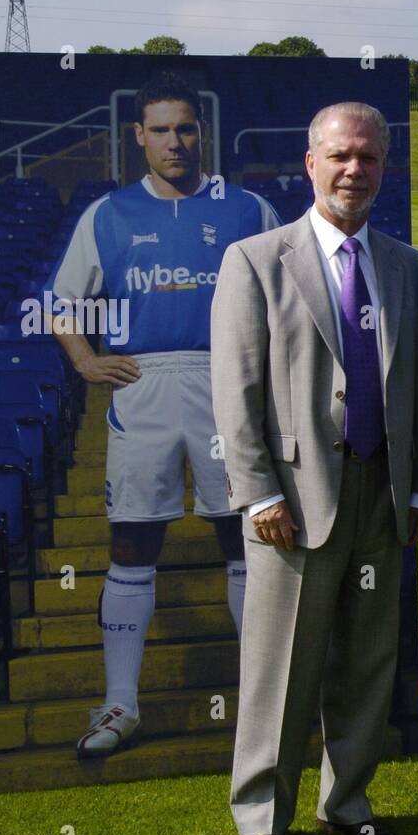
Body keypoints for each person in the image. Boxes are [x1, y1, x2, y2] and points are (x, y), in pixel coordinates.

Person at [211, 102, 418, 835]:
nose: (354, 170)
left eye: (368, 158)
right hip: (293, 506)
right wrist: (258, 492)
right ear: (310, 163)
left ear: (383, 167)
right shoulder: (255, 259)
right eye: (340, 155)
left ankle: (348, 803)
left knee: (369, 664)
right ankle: (261, 815)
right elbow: (235, 390)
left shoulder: (407, 267)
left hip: (383, 496)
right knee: (281, 667)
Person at [47, 72, 280, 758]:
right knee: (134, 542)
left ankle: (261, 702)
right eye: (160, 129)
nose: (174, 141)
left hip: (227, 382)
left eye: (185, 128)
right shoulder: (108, 214)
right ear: (138, 136)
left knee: (244, 540)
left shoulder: (249, 208)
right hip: (143, 383)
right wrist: (87, 362)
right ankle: (121, 703)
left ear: (200, 133)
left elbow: (288, 296)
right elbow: (63, 302)